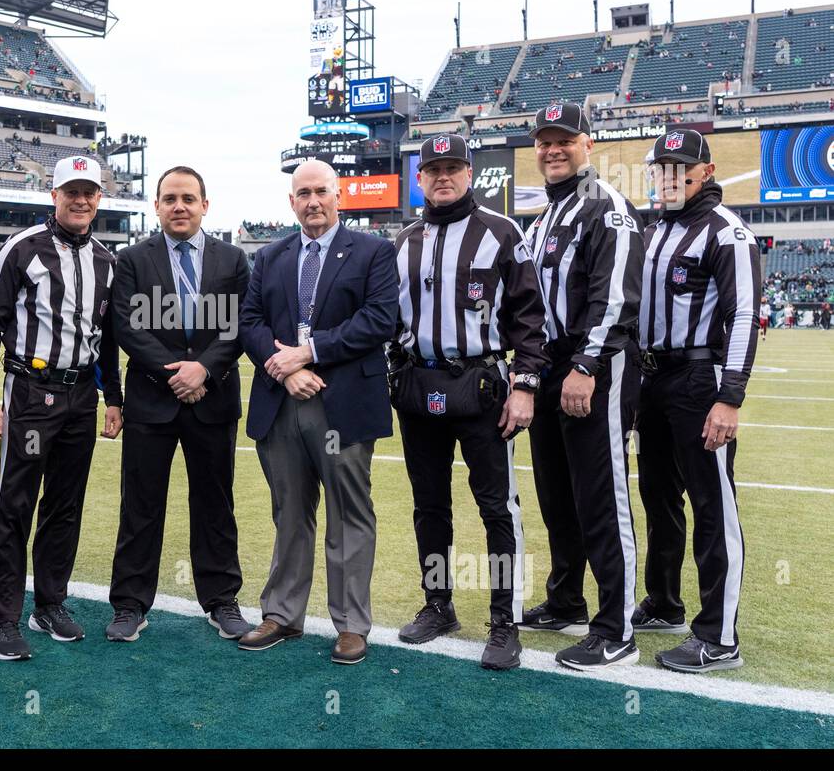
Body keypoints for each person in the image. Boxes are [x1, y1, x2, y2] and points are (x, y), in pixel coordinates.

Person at [389, 135, 548, 670]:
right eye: (433, 169)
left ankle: (506, 621)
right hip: (419, 388)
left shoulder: (502, 233)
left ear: (470, 173)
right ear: (419, 178)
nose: (443, 177)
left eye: (452, 167)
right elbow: (390, 320)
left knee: (497, 507)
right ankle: (439, 604)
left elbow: (530, 316)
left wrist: (524, 385)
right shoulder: (403, 240)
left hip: (481, 386)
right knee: (429, 506)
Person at [237, 159, 398, 665]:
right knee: (289, 510)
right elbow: (250, 320)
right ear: (291, 202)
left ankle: (351, 624)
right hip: (282, 402)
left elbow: (379, 319)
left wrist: (309, 353)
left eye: (321, 192)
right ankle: (282, 613)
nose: (312, 201)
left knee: (349, 513)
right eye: (302, 193)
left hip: (343, 402)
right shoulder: (270, 256)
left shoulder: (374, 251)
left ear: (338, 195)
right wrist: (284, 370)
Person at [0, 155, 123, 661]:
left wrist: (113, 398)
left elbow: (108, 340)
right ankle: (3, 617)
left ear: (99, 197)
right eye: (71, 191)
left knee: (65, 504)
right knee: (15, 504)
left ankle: (50, 602)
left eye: (89, 191)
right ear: (53, 196)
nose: (80, 200)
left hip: (81, 396)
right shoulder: (22, 249)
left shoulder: (105, 259)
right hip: (31, 391)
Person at [520, 101, 646, 671]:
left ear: (587, 144)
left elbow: (615, 297)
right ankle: (565, 598)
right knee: (557, 494)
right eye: (545, 141)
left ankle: (615, 628)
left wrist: (586, 365)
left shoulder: (607, 207)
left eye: (564, 139)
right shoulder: (545, 215)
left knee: (601, 495)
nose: (553, 149)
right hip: (548, 367)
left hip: (590, 367)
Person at [105, 165, 252, 643]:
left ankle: (221, 600)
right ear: (157, 206)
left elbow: (239, 326)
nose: (179, 206)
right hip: (152, 401)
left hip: (212, 399)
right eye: (170, 198)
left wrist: (203, 370)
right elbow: (127, 327)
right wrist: (176, 374)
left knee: (215, 504)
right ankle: (129, 603)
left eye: (188, 198)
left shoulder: (232, 260)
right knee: (141, 506)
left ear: (205, 205)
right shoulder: (131, 260)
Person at [636, 130, 759, 672]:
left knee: (713, 504)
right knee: (658, 496)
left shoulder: (727, 233)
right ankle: (664, 603)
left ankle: (719, 635)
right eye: (660, 167)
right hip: (653, 378)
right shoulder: (654, 229)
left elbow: (744, 318)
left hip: (698, 378)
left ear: (706, 172)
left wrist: (728, 397)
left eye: (679, 167)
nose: (668, 176)